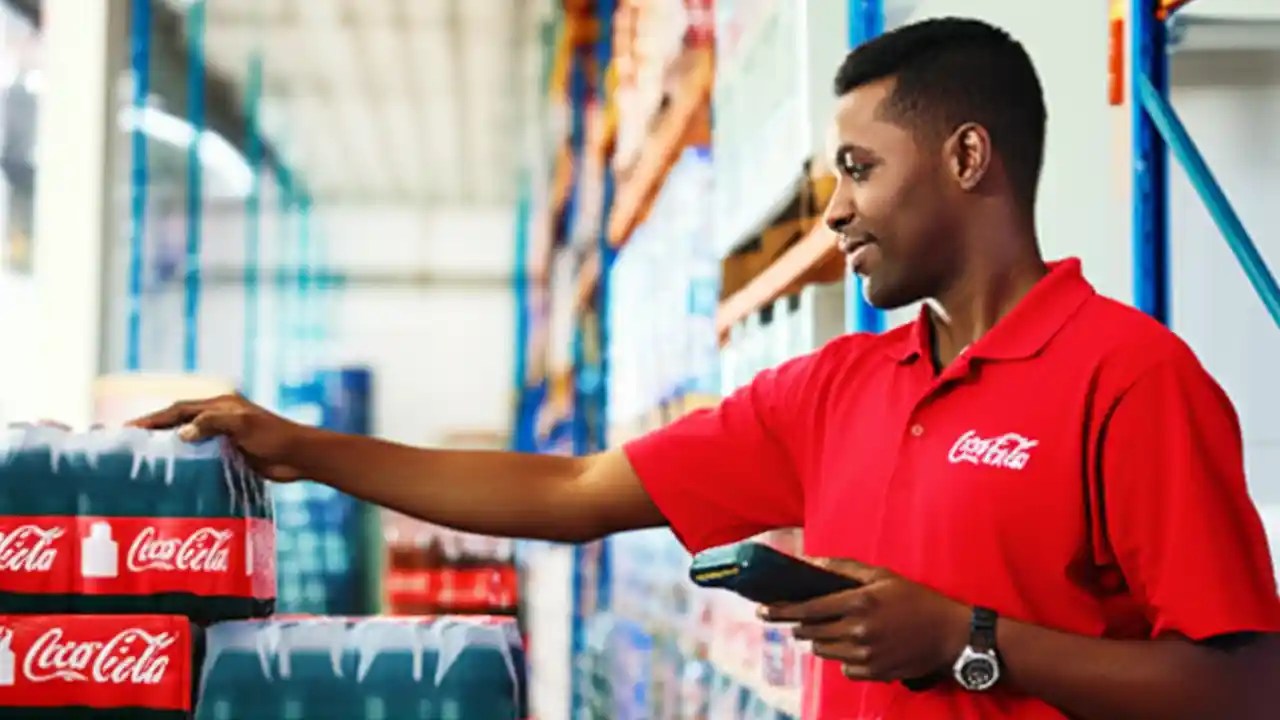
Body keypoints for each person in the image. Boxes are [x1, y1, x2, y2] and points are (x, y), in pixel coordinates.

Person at [132, 17, 1280, 720]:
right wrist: (302, 449)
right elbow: (577, 494)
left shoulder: (1129, 378)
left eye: (857, 170)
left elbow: (1241, 690)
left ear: (967, 157)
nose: (832, 214)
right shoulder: (834, 388)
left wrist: (967, 642)